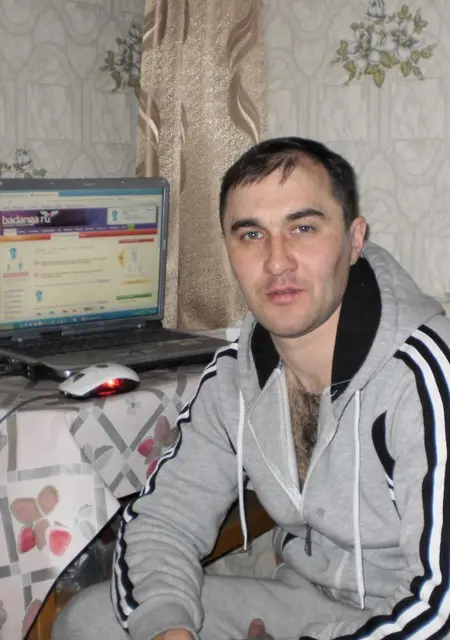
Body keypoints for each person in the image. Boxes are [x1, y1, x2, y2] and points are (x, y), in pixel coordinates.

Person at [52, 137, 450, 640]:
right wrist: (168, 629)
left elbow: (442, 605)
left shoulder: (424, 374)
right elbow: (165, 519)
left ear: (354, 240)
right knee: (90, 619)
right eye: (251, 234)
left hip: (413, 613)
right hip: (303, 601)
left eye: (303, 228)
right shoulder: (235, 375)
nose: (276, 261)